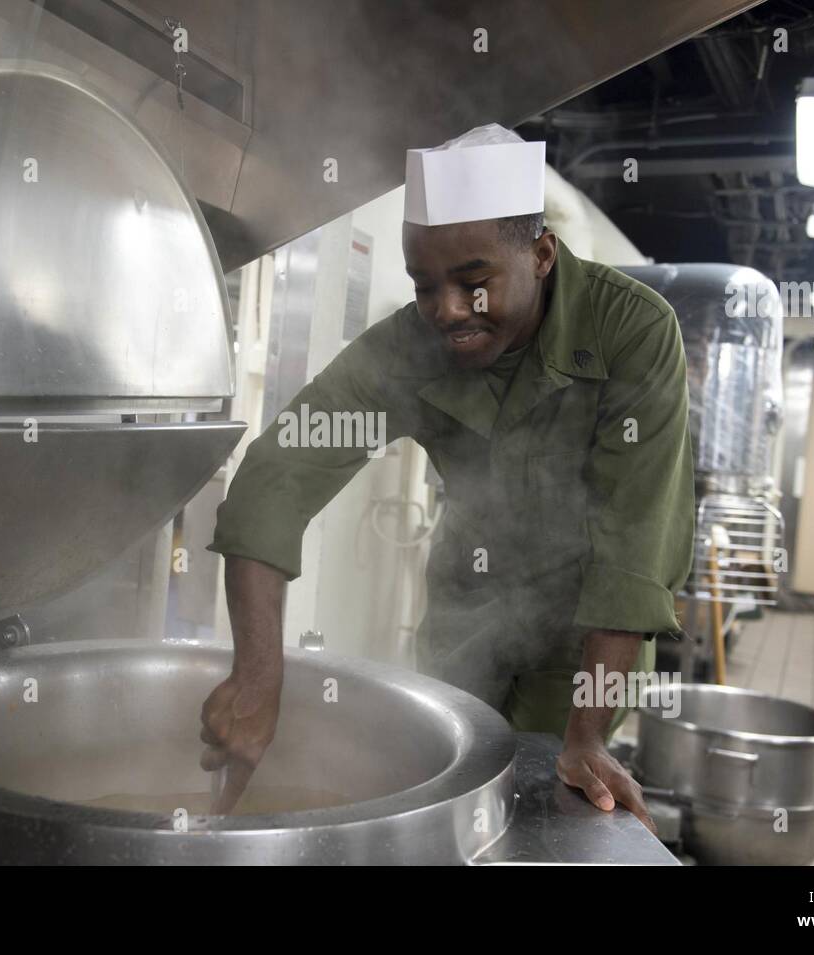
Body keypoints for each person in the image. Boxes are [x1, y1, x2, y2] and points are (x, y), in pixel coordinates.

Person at [199, 124, 695, 831]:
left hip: (582, 654)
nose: (447, 310)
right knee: (433, 813)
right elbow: (280, 470)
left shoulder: (633, 332)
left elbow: (633, 554)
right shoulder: (414, 344)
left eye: (473, 281)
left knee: (538, 824)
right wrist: (257, 673)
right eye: (424, 285)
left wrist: (586, 735)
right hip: (463, 625)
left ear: (542, 254)